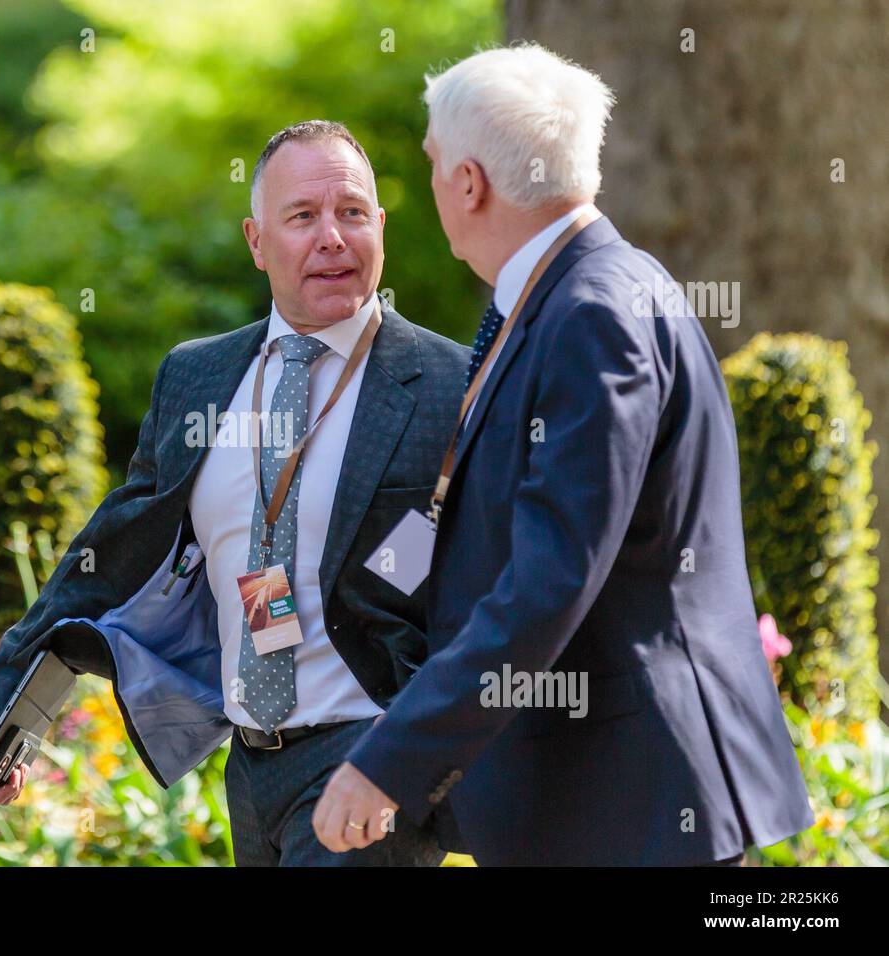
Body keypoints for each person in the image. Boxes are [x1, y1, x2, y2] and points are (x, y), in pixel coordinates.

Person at [313, 44, 814, 865]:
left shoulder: (591, 313)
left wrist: (390, 761)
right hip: (612, 796)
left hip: (636, 799)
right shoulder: (563, 295)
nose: (434, 185)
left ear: (469, 182)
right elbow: (474, 512)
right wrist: (352, 594)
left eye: (435, 164)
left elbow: (552, 576)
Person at [0, 120, 471, 866]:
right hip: (250, 767)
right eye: (302, 217)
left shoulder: (450, 386)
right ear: (257, 241)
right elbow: (110, 551)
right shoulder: (197, 378)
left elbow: (503, 577)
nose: (332, 236)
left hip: (369, 762)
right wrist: (7, 710)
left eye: (353, 213)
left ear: (381, 229)